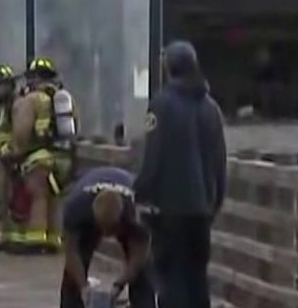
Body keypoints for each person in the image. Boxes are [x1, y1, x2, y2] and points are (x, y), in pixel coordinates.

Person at [134, 40, 227, 308]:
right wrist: (214, 203)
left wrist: (138, 192)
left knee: (171, 279)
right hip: (202, 212)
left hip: (168, 210)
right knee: (197, 280)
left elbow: (152, 157)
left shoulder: (161, 105)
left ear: (169, 68)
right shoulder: (211, 108)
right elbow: (220, 163)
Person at [10, 56, 81, 254]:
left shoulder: (31, 100)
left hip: (39, 158)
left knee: (38, 197)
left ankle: (36, 240)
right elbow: (75, 127)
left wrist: (17, 152)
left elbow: (21, 133)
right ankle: (54, 240)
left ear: (34, 78)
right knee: (55, 198)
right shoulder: (66, 99)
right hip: (64, 158)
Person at [58, 166, 155, 308]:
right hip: (89, 204)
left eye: (111, 229)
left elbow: (141, 249)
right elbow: (71, 250)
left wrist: (120, 283)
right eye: (102, 228)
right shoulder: (75, 208)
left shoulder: (137, 209)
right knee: (74, 272)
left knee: (143, 270)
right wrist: (83, 287)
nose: (106, 234)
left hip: (126, 211)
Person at [0, 63, 25, 253]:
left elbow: (19, 132)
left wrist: (10, 152)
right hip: (0, 158)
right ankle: (6, 236)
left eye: (2, 85)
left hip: (12, 159)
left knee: (12, 199)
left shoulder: (15, 105)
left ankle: (16, 238)